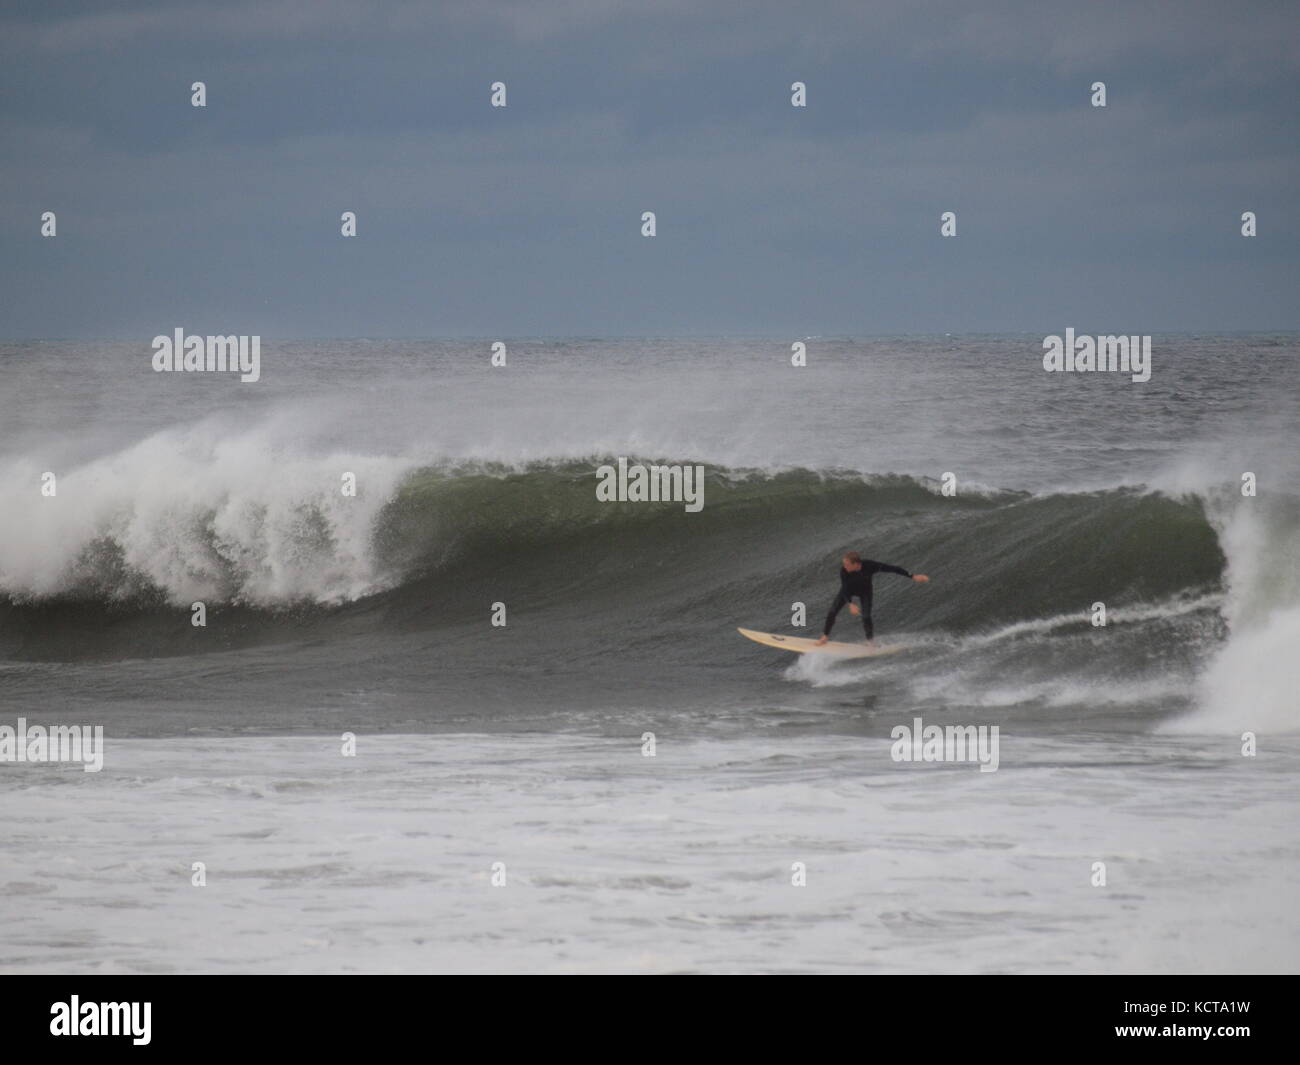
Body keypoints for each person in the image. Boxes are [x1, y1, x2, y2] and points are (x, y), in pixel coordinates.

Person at [816, 551, 928, 646]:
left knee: (866, 616)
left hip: (865, 592)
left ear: (855, 564)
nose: (844, 566)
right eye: (844, 564)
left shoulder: (869, 565)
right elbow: (844, 587)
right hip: (849, 590)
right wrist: (850, 603)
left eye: (847, 564)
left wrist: (912, 576)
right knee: (832, 611)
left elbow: (892, 568)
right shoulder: (844, 571)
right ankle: (825, 636)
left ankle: (870, 641)